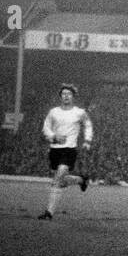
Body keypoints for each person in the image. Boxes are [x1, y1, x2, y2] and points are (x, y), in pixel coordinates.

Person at [38, 84, 93, 220]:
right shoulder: (53, 112)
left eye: (69, 94)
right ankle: (81, 180)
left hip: (69, 150)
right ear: (60, 96)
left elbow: (88, 125)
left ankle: (49, 212)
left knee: (58, 179)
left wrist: (87, 140)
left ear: (73, 97)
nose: (66, 96)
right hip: (54, 149)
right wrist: (53, 136)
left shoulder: (79, 112)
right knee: (60, 180)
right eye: (64, 94)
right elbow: (45, 128)